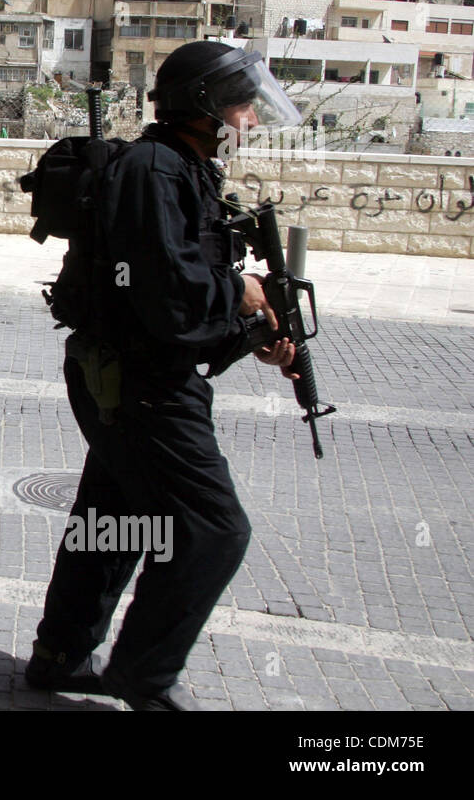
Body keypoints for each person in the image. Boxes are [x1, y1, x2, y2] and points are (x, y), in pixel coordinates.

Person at [23, 41, 301, 709]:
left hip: (131, 375)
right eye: (242, 106)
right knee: (212, 529)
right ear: (204, 106)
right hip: (137, 382)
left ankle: (60, 654)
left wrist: (255, 333)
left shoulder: (184, 167)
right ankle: (142, 676)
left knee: (114, 516)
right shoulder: (155, 172)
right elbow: (170, 300)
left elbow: (182, 290)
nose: (251, 121)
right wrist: (240, 299)